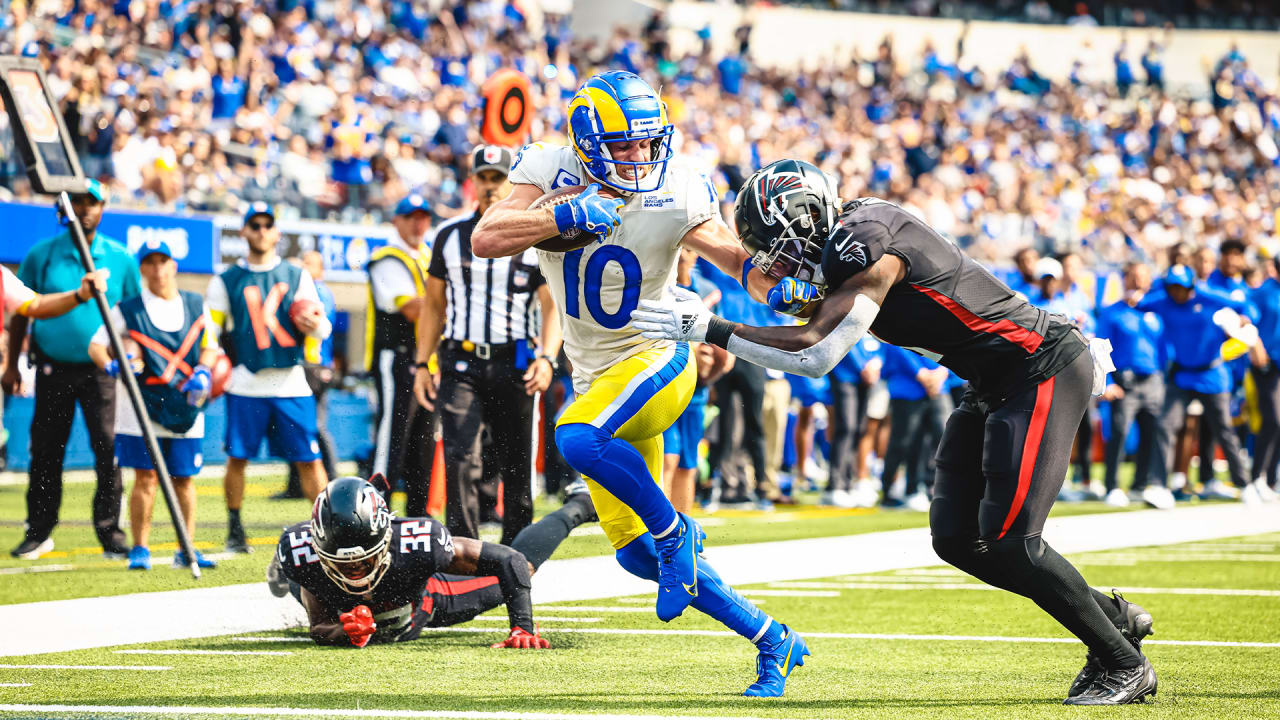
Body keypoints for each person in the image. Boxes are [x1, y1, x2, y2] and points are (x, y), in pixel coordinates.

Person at [632, 159, 1157, 705]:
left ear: (807, 219)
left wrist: (713, 329)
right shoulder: (846, 243)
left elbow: (817, 352)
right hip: (990, 381)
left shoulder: (867, 243)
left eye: (779, 245)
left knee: (1011, 540)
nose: (778, 261)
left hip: (1038, 366)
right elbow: (802, 302)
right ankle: (1113, 615)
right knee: (956, 539)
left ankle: (1122, 663)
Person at [470, 72, 809, 697]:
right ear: (584, 142)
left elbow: (734, 259)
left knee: (575, 436)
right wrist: (562, 213)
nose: (639, 156)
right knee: (632, 554)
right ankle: (771, 639)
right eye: (623, 145)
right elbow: (486, 236)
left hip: (658, 354)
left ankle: (677, 529)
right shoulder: (547, 167)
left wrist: (779, 291)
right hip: (599, 375)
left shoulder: (678, 184)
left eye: (648, 142)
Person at [413, 145, 563, 545]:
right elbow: (433, 305)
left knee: (517, 460)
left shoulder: (533, 237)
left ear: (511, 182)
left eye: (499, 178)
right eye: (485, 177)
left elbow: (554, 308)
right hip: (462, 360)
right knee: (462, 456)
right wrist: (420, 364)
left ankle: (518, 551)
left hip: (515, 360)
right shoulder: (449, 236)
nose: (491, 186)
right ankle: (463, 550)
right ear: (473, 181)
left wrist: (547, 357)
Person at [266, 475, 596, 648]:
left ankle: (580, 503)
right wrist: (344, 632)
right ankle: (281, 575)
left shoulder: (417, 543)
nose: (355, 570)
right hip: (333, 593)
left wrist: (521, 627)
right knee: (296, 577)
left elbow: (508, 560)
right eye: (343, 564)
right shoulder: (302, 556)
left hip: (425, 600)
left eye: (365, 561)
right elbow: (319, 627)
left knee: (523, 568)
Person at [4, 180, 140, 560]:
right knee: (46, 453)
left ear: (104, 207)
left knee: (108, 452)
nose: (84, 209)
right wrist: (12, 363)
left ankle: (111, 535)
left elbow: (133, 318)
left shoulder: (120, 257)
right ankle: (39, 531)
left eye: (91, 202)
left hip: (103, 372)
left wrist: (131, 358)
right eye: (77, 202)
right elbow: (20, 313)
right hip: (52, 368)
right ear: (65, 208)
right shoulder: (41, 255)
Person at [206, 202, 332, 553]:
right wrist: (209, 362)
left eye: (267, 225)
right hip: (245, 381)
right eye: (254, 225)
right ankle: (234, 526)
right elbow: (210, 331)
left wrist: (315, 324)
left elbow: (323, 325)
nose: (261, 231)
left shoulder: (296, 275)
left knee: (310, 459)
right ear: (244, 231)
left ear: (277, 232)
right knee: (237, 458)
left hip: (291, 379)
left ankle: (325, 530)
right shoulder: (226, 279)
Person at [86, 240, 219, 570]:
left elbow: (210, 346)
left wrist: (203, 370)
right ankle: (140, 548)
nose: (158, 269)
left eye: (164, 261)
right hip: (141, 405)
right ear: (142, 269)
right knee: (145, 477)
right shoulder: (128, 308)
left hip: (185, 401)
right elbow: (97, 346)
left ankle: (185, 546)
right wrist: (112, 366)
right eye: (151, 262)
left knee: (184, 478)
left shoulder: (194, 303)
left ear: (173, 265)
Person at [1139, 265, 1258, 503]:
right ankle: (1159, 485)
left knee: (1223, 429)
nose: (1176, 292)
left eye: (1180, 287)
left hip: (1212, 374)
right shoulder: (1162, 302)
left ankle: (1244, 484)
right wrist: (1133, 298)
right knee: (1165, 425)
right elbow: (1138, 304)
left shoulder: (1208, 297)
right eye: (1172, 287)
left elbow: (1246, 306)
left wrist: (1246, 318)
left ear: (1190, 286)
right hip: (1182, 375)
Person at [365, 192, 433, 516]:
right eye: (410, 217)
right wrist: (453, 300)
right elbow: (410, 308)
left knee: (422, 444)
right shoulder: (388, 258)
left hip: (425, 360)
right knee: (393, 437)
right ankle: (378, 509)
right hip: (397, 357)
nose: (418, 223)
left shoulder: (427, 256)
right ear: (397, 221)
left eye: (422, 217)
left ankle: (418, 518)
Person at [661, 247, 730, 514]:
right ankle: (660, 529)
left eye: (688, 248)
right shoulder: (660, 286)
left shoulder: (708, 290)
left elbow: (724, 348)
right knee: (668, 457)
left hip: (696, 390)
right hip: (665, 385)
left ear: (697, 254)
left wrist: (709, 376)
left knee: (688, 461)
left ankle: (683, 529)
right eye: (677, 248)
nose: (681, 254)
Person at [1096, 263, 1166, 508]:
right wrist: (1107, 382)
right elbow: (1101, 349)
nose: (1138, 282)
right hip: (1125, 381)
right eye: (1133, 277)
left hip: (1153, 380)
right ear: (1124, 279)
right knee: (1119, 433)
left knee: (1151, 433)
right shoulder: (1112, 312)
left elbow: (1164, 349)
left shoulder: (1156, 311)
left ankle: (1139, 485)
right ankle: (1112, 486)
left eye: (1143, 277)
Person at [280, 251, 339, 499]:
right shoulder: (305, 290)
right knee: (298, 426)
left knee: (315, 426)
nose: (304, 267)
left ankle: (332, 479)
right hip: (308, 365)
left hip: (315, 366)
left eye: (309, 263)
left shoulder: (319, 292)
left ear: (321, 270)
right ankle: (295, 485)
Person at [878, 344, 946, 511]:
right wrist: (920, 373)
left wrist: (942, 372)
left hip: (937, 386)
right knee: (902, 441)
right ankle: (888, 490)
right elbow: (896, 344)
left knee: (941, 438)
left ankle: (922, 487)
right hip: (906, 386)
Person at [1248, 258, 1280, 500]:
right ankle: (1257, 476)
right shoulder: (1263, 293)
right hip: (1268, 364)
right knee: (1273, 419)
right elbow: (1247, 323)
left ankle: (1271, 478)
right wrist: (1256, 346)